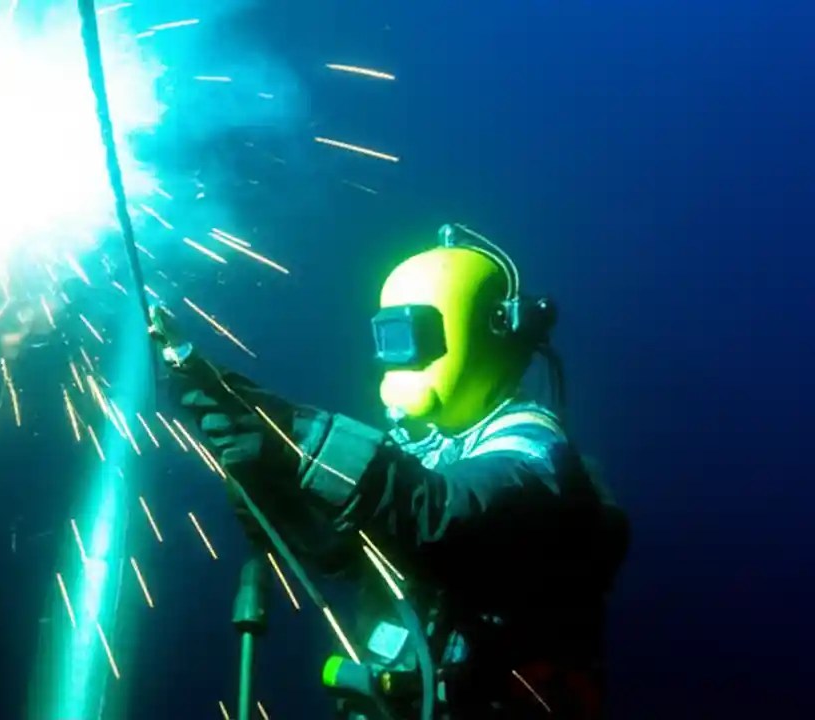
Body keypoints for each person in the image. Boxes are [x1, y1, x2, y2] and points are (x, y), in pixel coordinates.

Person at [150, 224, 629, 719]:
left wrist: (286, 433)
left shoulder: (535, 449)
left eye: (416, 337)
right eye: (390, 338)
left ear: (479, 331)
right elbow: (341, 553)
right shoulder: (431, 445)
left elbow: (442, 514)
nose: (400, 358)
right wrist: (261, 468)